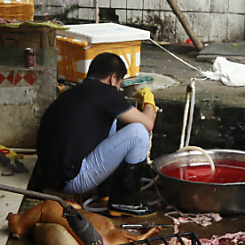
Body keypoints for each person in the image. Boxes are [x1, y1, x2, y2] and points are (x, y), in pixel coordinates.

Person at [31, 53, 158, 216]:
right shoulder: (107, 94)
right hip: (72, 179)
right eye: (119, 83)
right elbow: (148, 124)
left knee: (112, 119)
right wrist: (149, 100)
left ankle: (105, 192)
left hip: (51, 176)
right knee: (138, 132)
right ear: (113, 79)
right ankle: (123, 202)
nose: (118, 88)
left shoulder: (75, 92)